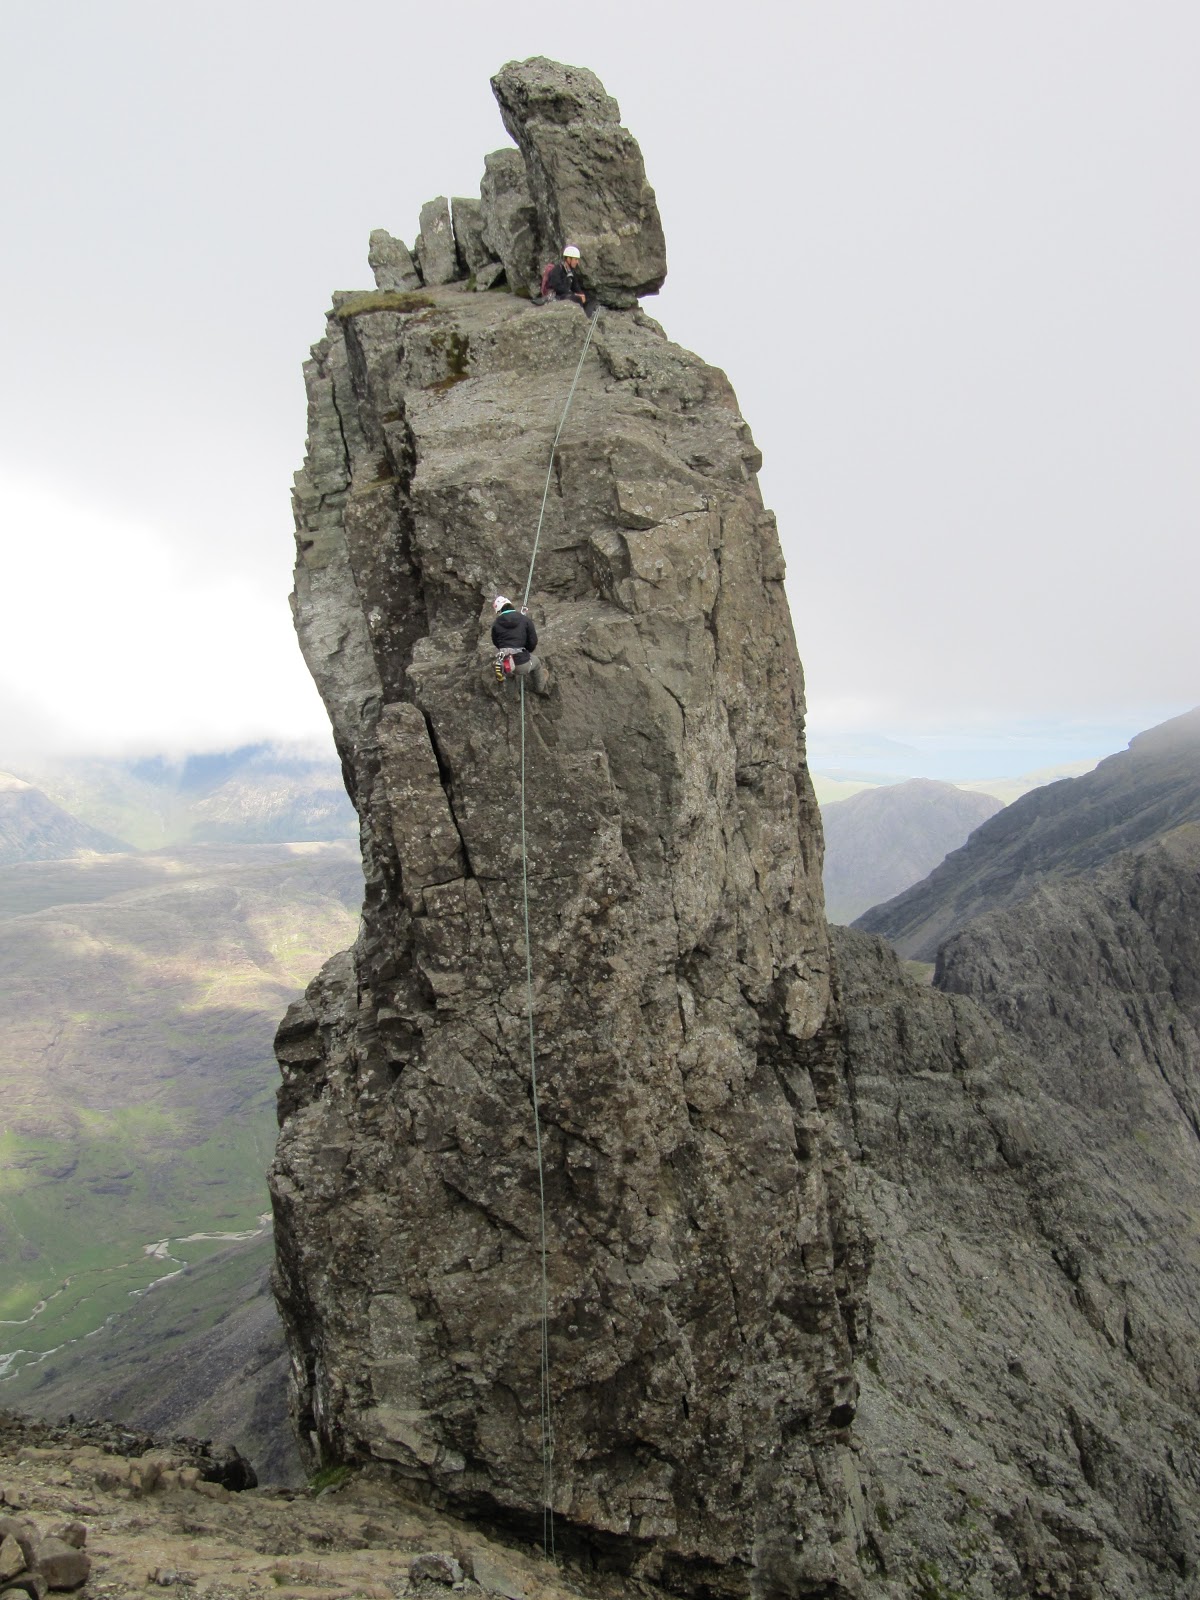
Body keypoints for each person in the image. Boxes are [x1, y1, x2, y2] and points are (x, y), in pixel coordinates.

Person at [490, 596, 549, 694]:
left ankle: (513, 695)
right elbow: (533, 641)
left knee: (508, 671)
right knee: (537, 663)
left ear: (499, 611)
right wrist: (526, 651)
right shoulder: (524, 619)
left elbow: (496, 642)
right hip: (523, 664)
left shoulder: (496, 623)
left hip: (505, 663)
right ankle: (540, 687)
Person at [543, 245, 594, 315]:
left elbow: (576, 287)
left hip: (566, 295)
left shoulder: (571, 272)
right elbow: (558, 288)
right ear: (569, 259)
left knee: (589, 297)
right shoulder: (557, 270)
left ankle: (586, 317)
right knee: (576, 298)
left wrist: (581, 294)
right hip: (555, 297)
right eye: (575, 259)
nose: (577, 262)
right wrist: (575, 294)